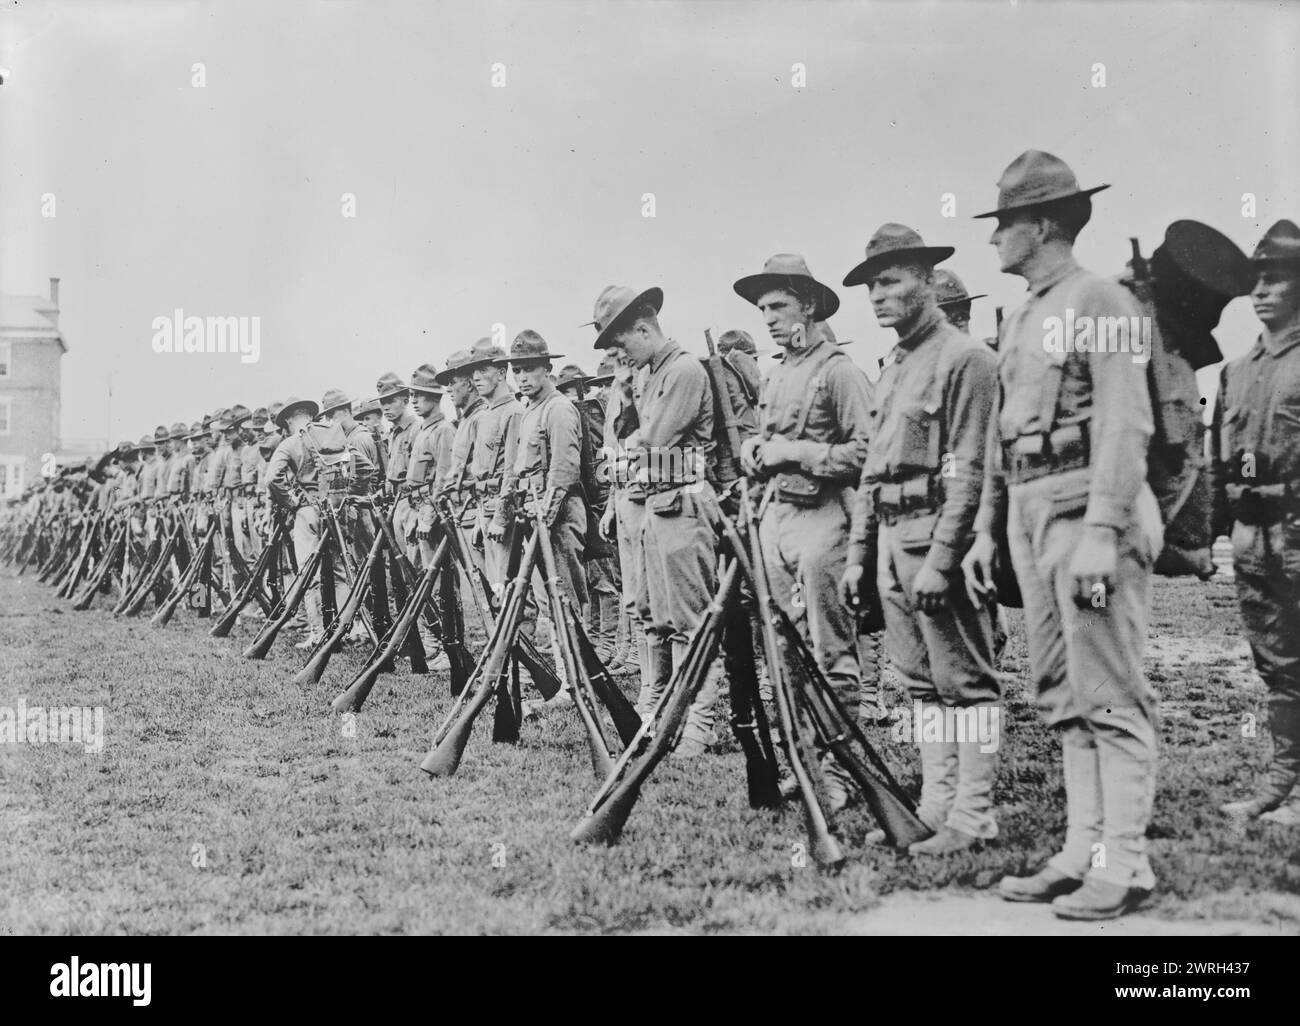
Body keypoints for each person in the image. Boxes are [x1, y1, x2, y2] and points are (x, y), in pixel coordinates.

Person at [961, 150, 1161, 919]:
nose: (994, 241)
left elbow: (1124, 420)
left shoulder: (1101, 298)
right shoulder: (1022, 316)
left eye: (1004, 224)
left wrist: (1104, 532)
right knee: (1062, 692)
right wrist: (985, 530)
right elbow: (1000, 440)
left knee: (1108, 688)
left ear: (1041, 225)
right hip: (1029, 511)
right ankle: (1083, 850)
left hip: (1086, 508)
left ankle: (1127, 864)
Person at [839, 224, 1000, 853]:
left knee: (968, 682)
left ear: (929, 283)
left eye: (892, 281)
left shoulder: (967, 359)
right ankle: (936, 806)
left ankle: (975, 812)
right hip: (890, 540)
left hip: (937, 538)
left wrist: (942, 558)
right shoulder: (896, 364)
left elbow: (970, 469)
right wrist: (860, 558)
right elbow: (874, 471)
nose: (878, 295)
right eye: (872, 285)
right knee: (918, 682)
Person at [734, 254, 872, 801]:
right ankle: (805, 765)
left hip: (826, 521)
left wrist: (794, 451)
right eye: (762, 309)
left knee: (830, 653)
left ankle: (838, 775)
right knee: (783, 653)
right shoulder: (777, 373)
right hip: (777, 520)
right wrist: (754, 452)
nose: (768, 318)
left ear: (808, 306)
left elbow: (867, 453)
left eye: (778, 306)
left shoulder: (839, 372)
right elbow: (768, 441)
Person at [593, 285, 718, 756]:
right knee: (653, 616)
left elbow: (651, 441)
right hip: (653, 507)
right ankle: (660, 712)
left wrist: (626, 457)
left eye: (621, 345)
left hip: (682, 507)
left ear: (644, 329)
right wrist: (626, 396)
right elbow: (626, 447)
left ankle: (698, 725)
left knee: (691, 621)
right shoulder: (648, 374)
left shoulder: (683, 369)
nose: (617, 357)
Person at [1213, 219, 1300, 826]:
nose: (1262, 291)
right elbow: (1217, 458)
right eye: (1257, 280)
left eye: (1277, 278)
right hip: (1251, 535)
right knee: (1276, 665)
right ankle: (1282, 784)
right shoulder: (1236, 370)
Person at [266, 396, 327, 648]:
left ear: (289, 419)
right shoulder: (329, 436)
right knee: (336, 572)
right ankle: (343, 628)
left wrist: (291, 502)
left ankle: (319, 631)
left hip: (307, 511)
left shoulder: (290, 443)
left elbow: (272, 479)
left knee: (308, 571)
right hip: (333, 509)